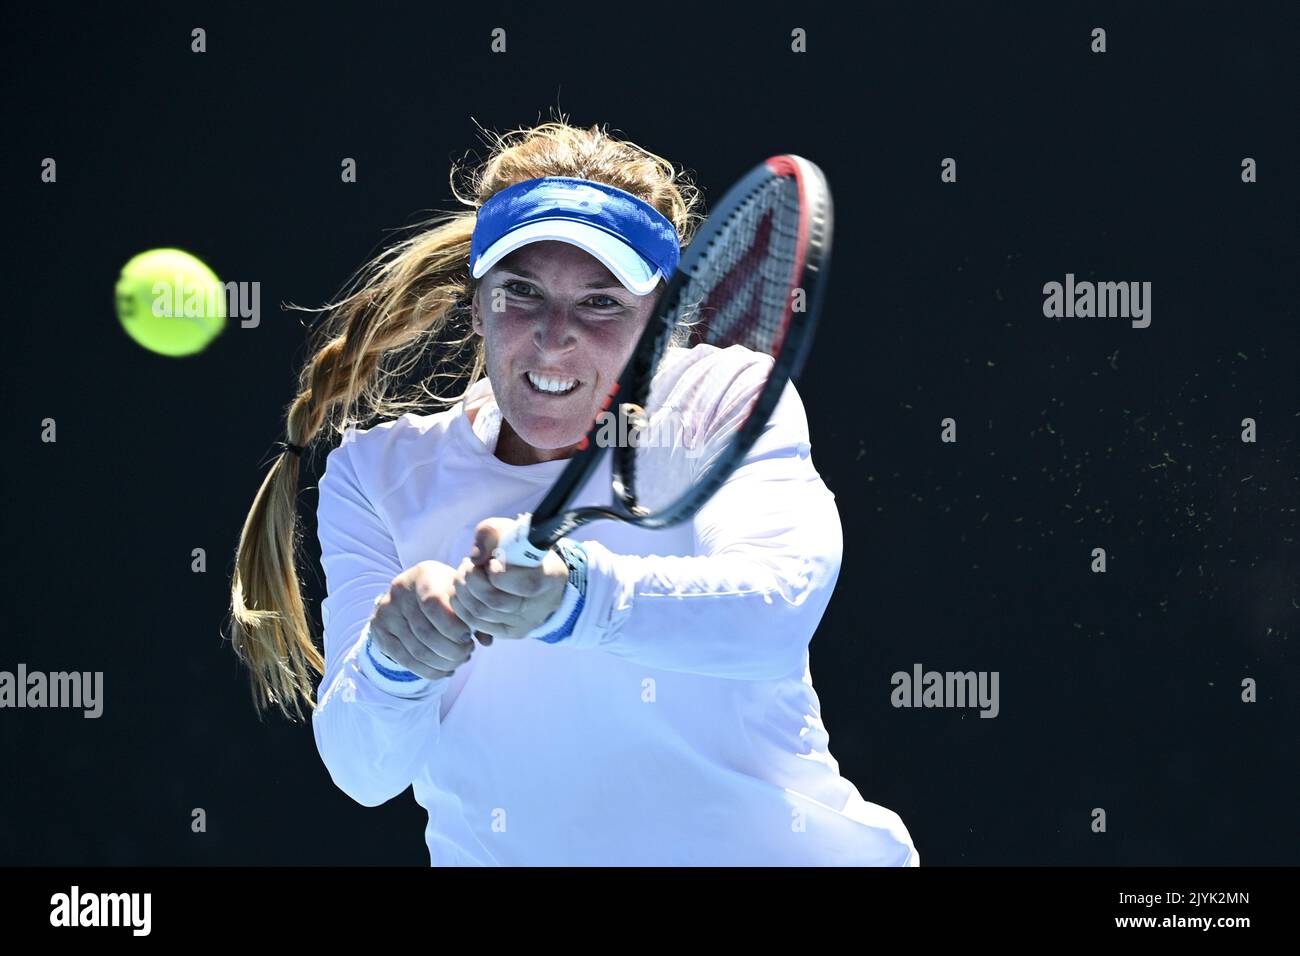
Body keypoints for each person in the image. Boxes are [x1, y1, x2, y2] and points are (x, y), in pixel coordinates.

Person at [228, 118, 919, 866]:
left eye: (601, 303)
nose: (554, 338)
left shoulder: (724, 398)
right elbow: (365, 772)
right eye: (521, 292)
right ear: (476, 305)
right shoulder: (378, 472)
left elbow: (775, 610)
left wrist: (575, 598)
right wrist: (397, 662)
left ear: (663, 319)